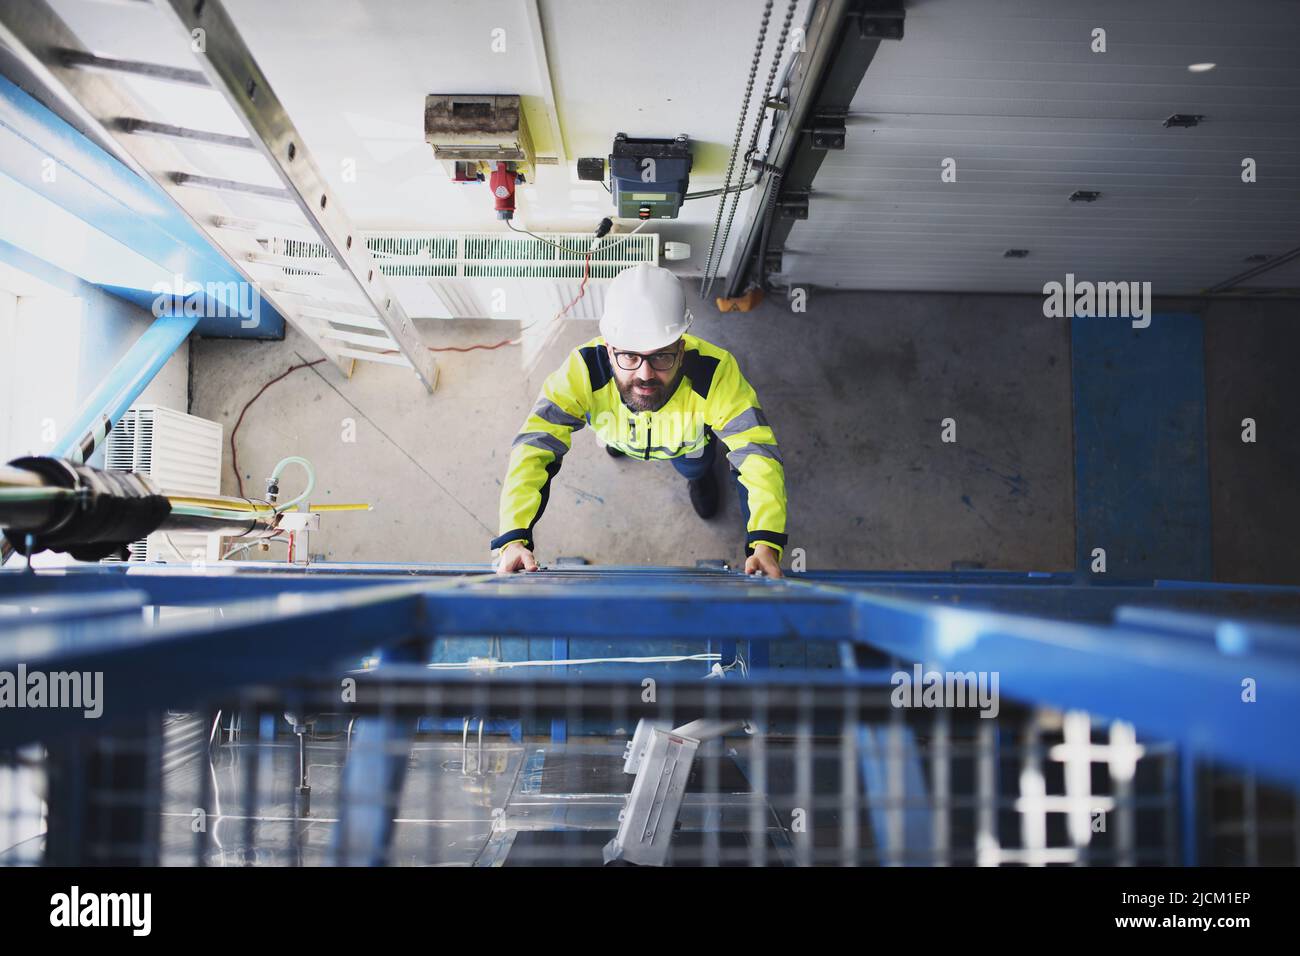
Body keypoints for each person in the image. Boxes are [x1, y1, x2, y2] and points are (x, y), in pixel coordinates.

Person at [493, 263, 787, 577]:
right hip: (618, 432)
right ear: (608, 350)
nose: (645, 375)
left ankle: (698, 479)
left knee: (696, 465)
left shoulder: (715, 373)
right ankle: (620, 447)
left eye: (661, 355)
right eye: (629, 356)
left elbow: (755, 451)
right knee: (614, 443)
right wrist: (512, 537)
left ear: (681, 347)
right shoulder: (582, 371)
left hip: (686, 446)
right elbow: (535, 445)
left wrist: (765, 541)